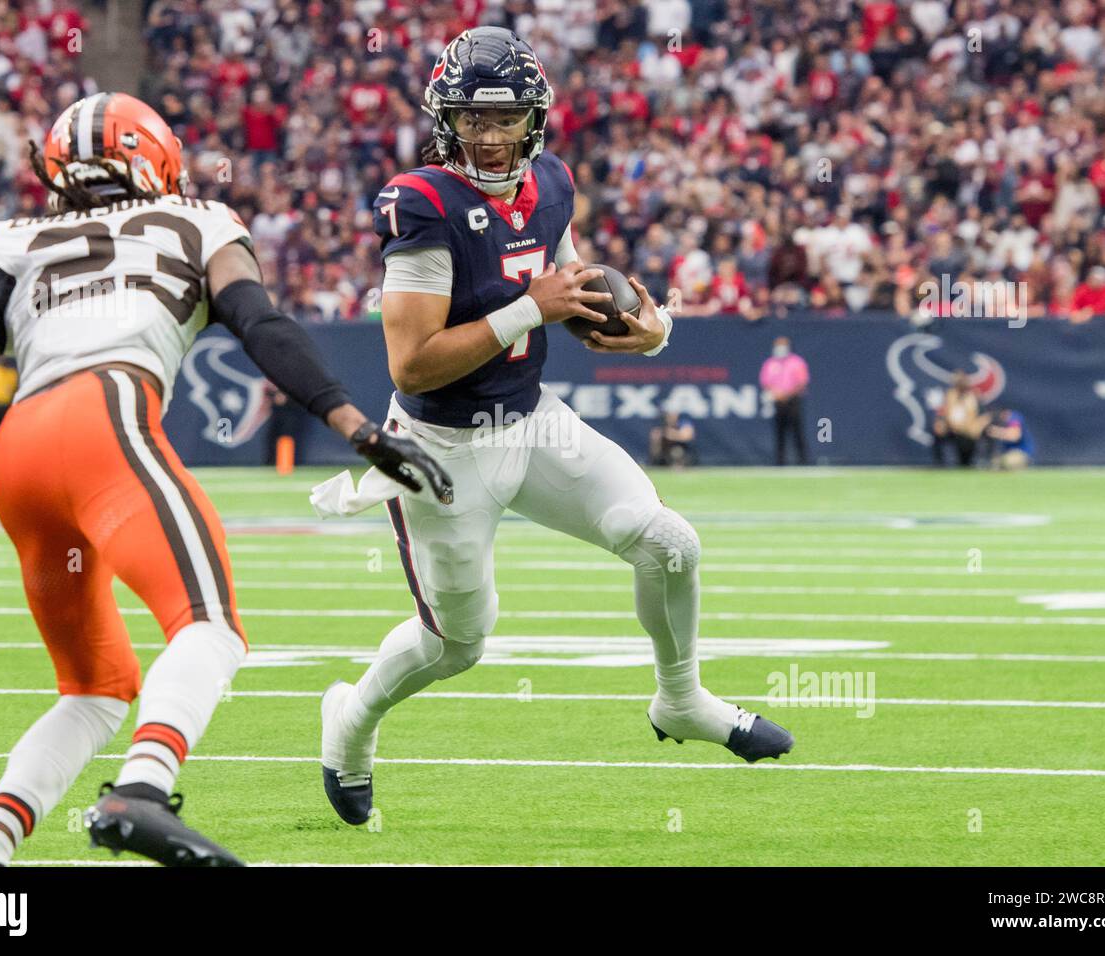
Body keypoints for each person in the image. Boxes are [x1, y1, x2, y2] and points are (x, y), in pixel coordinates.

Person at [0, 93, 450, 866]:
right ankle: (141, 793)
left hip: (18, 457)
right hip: (101, 418)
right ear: (156, 159)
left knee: (96, 686)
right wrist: (352, 423)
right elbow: (260, 323)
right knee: (207, 625)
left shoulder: (20, 240)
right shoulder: (198, 220)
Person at [316, 27, 793, 827]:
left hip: (532, 422)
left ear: (534, 120)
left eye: (505, 119)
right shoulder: (425, 205)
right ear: (446, 120)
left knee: (669, 541)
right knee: (457, 644)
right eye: (472, 118)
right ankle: (351, 722)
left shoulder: (551, 185)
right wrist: (527, 309)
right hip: (440, 448)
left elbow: (567, 287)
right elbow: (413, 364)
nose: (491, 136)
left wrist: (650, 327)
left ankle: (681, 700)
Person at [759, 336, 809, 465]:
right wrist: (777, 394)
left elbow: (802, 381)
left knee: (797, 431)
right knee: (779, 433)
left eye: (782, 345)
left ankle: (802, 461)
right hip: (777, 401)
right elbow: (765, 382)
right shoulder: (770, 363)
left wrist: (787, 394)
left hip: (793, 400)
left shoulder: (797, 362)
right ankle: (780, 462)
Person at [932, 371, 986, 466]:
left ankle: (969, 462)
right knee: (938, 430)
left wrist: (970, 427)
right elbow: (944, 413)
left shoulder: (971, 397)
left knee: (971, 437)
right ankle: (940, 463)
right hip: (951, 428)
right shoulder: (950, 395)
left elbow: (976, 416)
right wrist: (942, 423)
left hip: (967, 430)